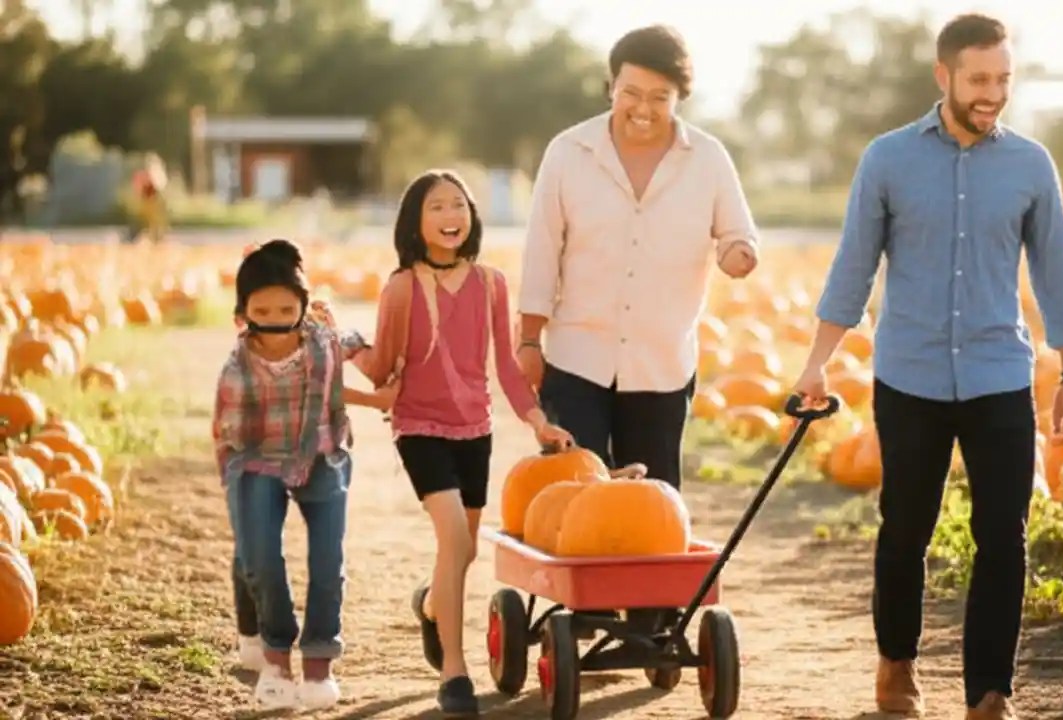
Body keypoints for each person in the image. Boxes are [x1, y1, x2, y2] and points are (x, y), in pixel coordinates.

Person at [793, 14, 1063, 720]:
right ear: (944, 76)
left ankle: (990, 692)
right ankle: (896, 664)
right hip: (911, 376)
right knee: (906, 528)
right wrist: (815, 366)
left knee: (1003, 537)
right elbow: (852, 269)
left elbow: (1057, 271)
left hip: (999, 375)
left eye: (1003, 80)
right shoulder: (888, 159)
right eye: (979, 79)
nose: (993, 94)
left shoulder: (1031, 165)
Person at [355, 170, 573, 717]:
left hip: (475, 430)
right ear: (415, 221)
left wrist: (537, 420)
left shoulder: (492, 284)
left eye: (459, 205)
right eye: (436, 207)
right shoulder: (401, 287)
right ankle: (455, 671)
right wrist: (345, 347)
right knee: (453, 534)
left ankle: (430, 605)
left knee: (466, 549)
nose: (450, 216)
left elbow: (504, 363)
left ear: (471, 216)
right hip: (419, 428)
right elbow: (380, 367)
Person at [517, 24, 760, 492]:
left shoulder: (708, 159)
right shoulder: (569, 153)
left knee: (651, 501)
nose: (644, 109)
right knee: (572, 494)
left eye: (660, 97)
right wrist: (529, 341)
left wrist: (738, 254)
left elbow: (737, 236)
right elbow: (542, 252)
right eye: (631, 93)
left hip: (661, 366)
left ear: (678, 98)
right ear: (611, 88)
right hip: (575, 360)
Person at [214, 239, 398, 711]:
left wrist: (384, 379)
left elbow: (350, 362)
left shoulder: (324, 338)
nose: (275, 318)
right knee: (258, 559)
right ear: (242, 314)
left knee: (326, 563)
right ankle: (276, 658)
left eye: (285, 307)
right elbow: (229, 436)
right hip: (257, 457)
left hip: (321, 455)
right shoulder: (238, 368)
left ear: (303, 306)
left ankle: (319, 662)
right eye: (262, 309)